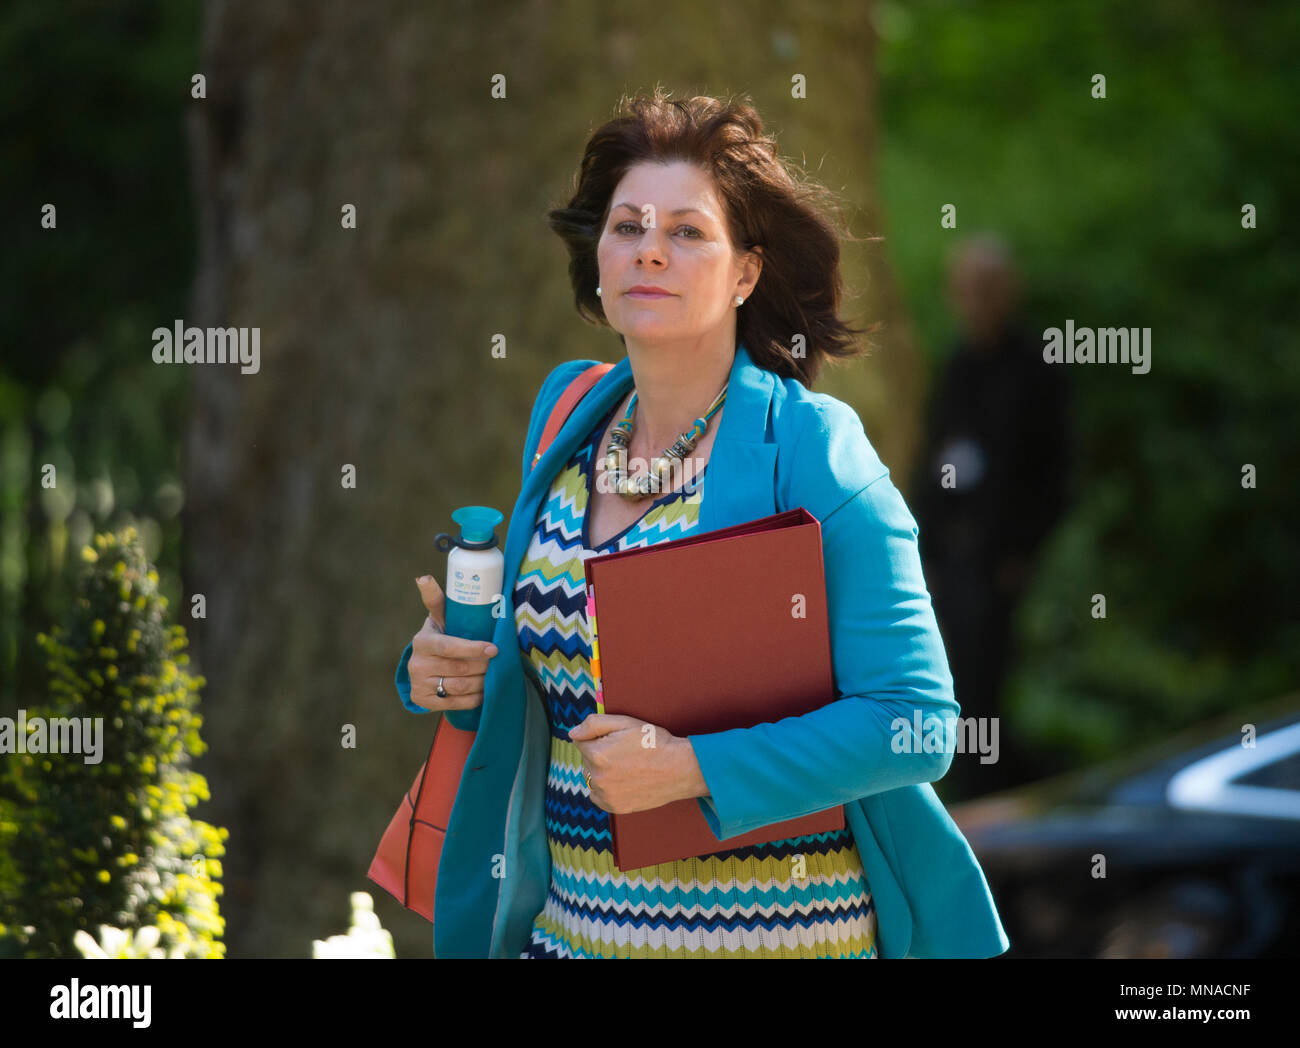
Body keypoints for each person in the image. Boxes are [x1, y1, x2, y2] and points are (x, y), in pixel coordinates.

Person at [394, 89, 1009, 959]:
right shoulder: (565, 415)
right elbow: (546, 669)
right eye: (628, 226)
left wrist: (691, 769)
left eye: (687, 232)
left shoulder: (811, 448)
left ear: (746, 272)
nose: (650, 251)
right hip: (566, 938)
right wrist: (446, 671)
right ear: (598, 253)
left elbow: (918, 722)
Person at [911, 234, 1073, 799]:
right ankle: (962, 786)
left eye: (986, 290)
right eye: (965, 291)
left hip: (998, 559)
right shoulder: (956, 367)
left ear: (1008, 292)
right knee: (947, 674)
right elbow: (932, 461)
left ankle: (994, 792)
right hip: (950, 555)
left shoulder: (1036, 371)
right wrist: (924, 550)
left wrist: (1022, 553)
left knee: (987, 677)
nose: (975, 303)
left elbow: (1054, 474)